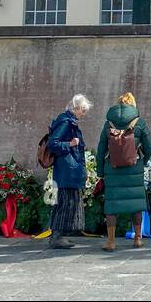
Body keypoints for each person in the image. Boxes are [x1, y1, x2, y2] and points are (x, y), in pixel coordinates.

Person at [95, 91, 151, 251]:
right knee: (135, 204)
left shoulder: (108, 124)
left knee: (112, 205)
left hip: (112, 169)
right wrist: (142, 161)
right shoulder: (139, 122)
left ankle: (111, 242)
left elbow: (100, 149)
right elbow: (150, 146)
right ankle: (137, 239)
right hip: (134, 168)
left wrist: (100, 172)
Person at [45, 94, 91, 250]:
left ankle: (58, 236)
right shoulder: (65, 122)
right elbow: (53, 144)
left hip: (68, 170)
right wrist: (70, 144)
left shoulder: (68, 121)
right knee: (65, 204)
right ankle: (56, 237)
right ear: (75, 108)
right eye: (83, 110)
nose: (83, 114)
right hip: (67, 171)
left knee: (65, 203)